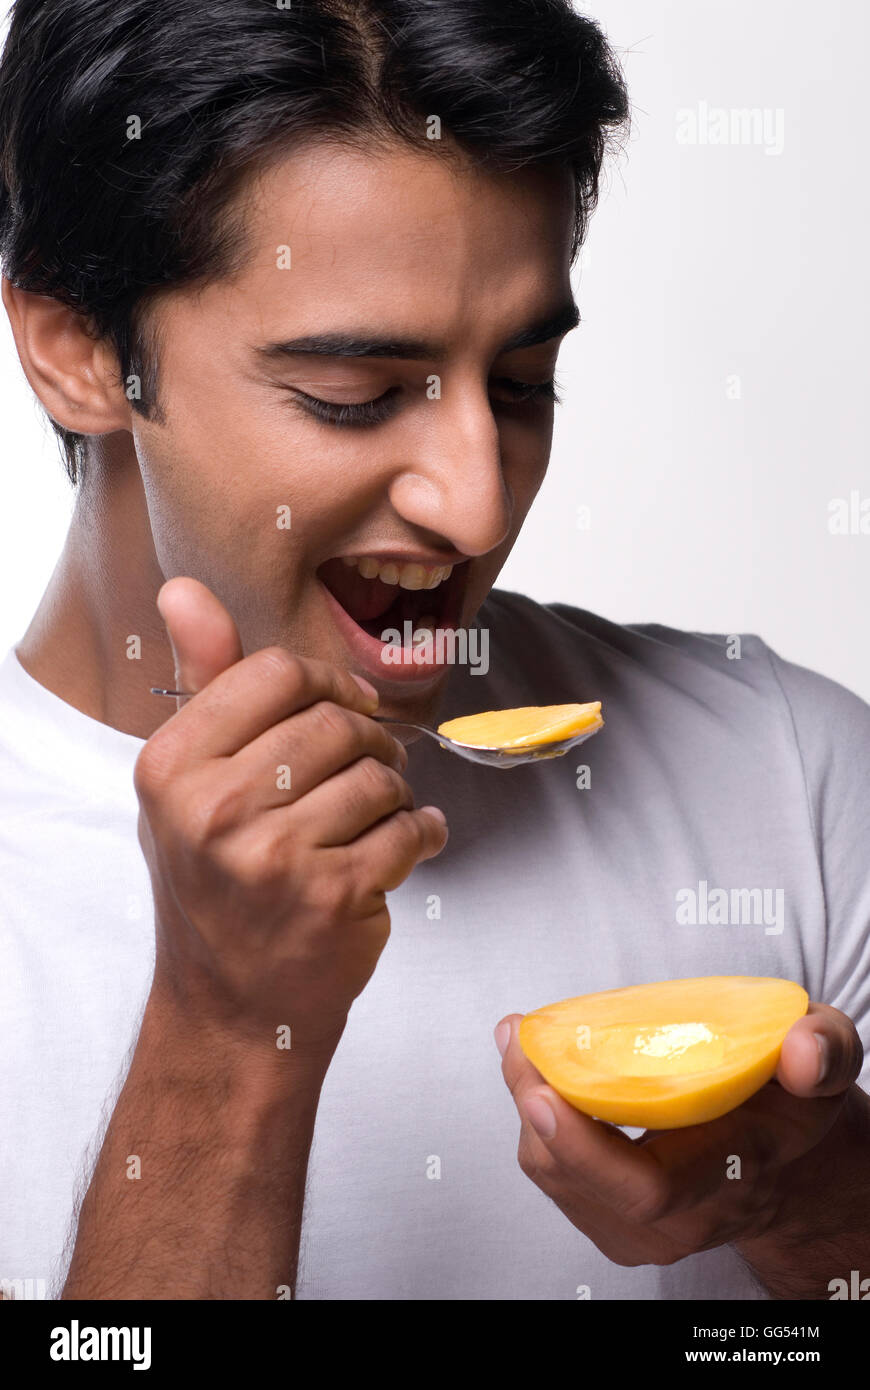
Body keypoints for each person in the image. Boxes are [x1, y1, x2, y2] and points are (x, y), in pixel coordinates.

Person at [0, 0, 867, 1302]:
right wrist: (226, 1039)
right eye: (352, 395)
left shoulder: (790, 771)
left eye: (520, 382)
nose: (475, 502)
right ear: (77, 352)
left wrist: (818, 1215)